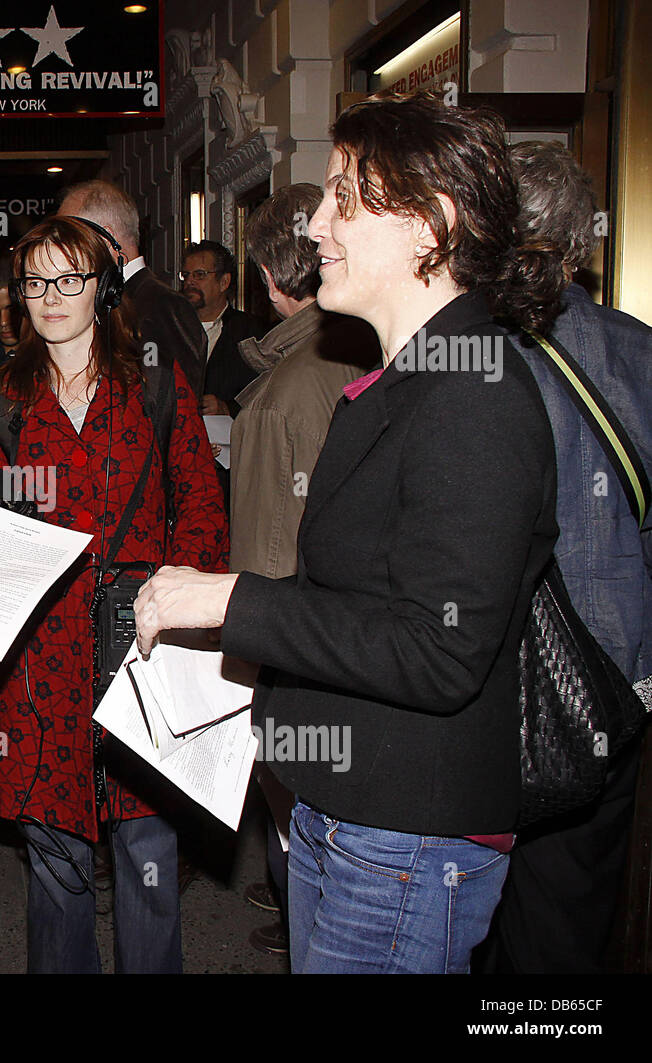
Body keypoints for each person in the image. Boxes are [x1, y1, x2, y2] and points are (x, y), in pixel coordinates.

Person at [133, 92, 563, 974]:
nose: (319, 223)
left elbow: (438, 651)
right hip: (354, 810)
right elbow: (359, 597)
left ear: (428, 225)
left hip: (406, 832)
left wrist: (232, 599)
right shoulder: (406, 378)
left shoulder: (471, 395)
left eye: (344, 197)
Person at [0, 216, 228, 973]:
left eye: (71, 278)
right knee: (56, 864)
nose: (52, 297)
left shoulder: (152, 380)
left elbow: (201, 499)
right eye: (36, 281)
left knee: (148, 850)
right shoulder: (5, 399)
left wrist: (178, 594)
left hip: (141, 646)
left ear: (102, 287)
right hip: (39, 663)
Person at [483, 140, 652, 974]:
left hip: (494, 686)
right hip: (615, 686)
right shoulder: (641, 349)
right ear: (584, 246)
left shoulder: (462, 352)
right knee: (571, 918)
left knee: (477, 914)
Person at [226, 184, 379, 955]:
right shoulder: (368, 350)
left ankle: (304, 927)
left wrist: (249, 662)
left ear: (266, 277)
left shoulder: (281, 396)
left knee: (299, 817)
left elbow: (262, 553)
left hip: (301, 636)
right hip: (353, 635)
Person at [57, 179, 208, 397]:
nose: (60, 250)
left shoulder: (163, 306)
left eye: (71, 238)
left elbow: (174, 403)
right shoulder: (110, 299)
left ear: (106, 239)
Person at [183, 240, 262, 416]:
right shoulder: (171, 329)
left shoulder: (250, 333)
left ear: (224, 282)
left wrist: (227, 408)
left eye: (200, 275)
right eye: (186, 275)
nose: (189, 282)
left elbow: (265, 393)